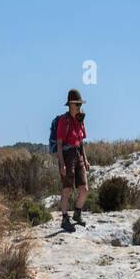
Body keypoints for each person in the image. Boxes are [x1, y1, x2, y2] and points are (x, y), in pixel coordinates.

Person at [56, 89, 89, 232]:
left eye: (80, 103)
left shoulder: (80, 119)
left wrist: (85, 159)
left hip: (78, 155)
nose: (79, 106)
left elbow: (81, 142)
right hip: (67, 156)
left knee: (85, 189)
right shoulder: (64, 121)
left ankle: (77, 213)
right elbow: (59, 143)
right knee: (67, 190)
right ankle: (64, 219)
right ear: (70, 104)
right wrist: (62, 164)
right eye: (77, 103)